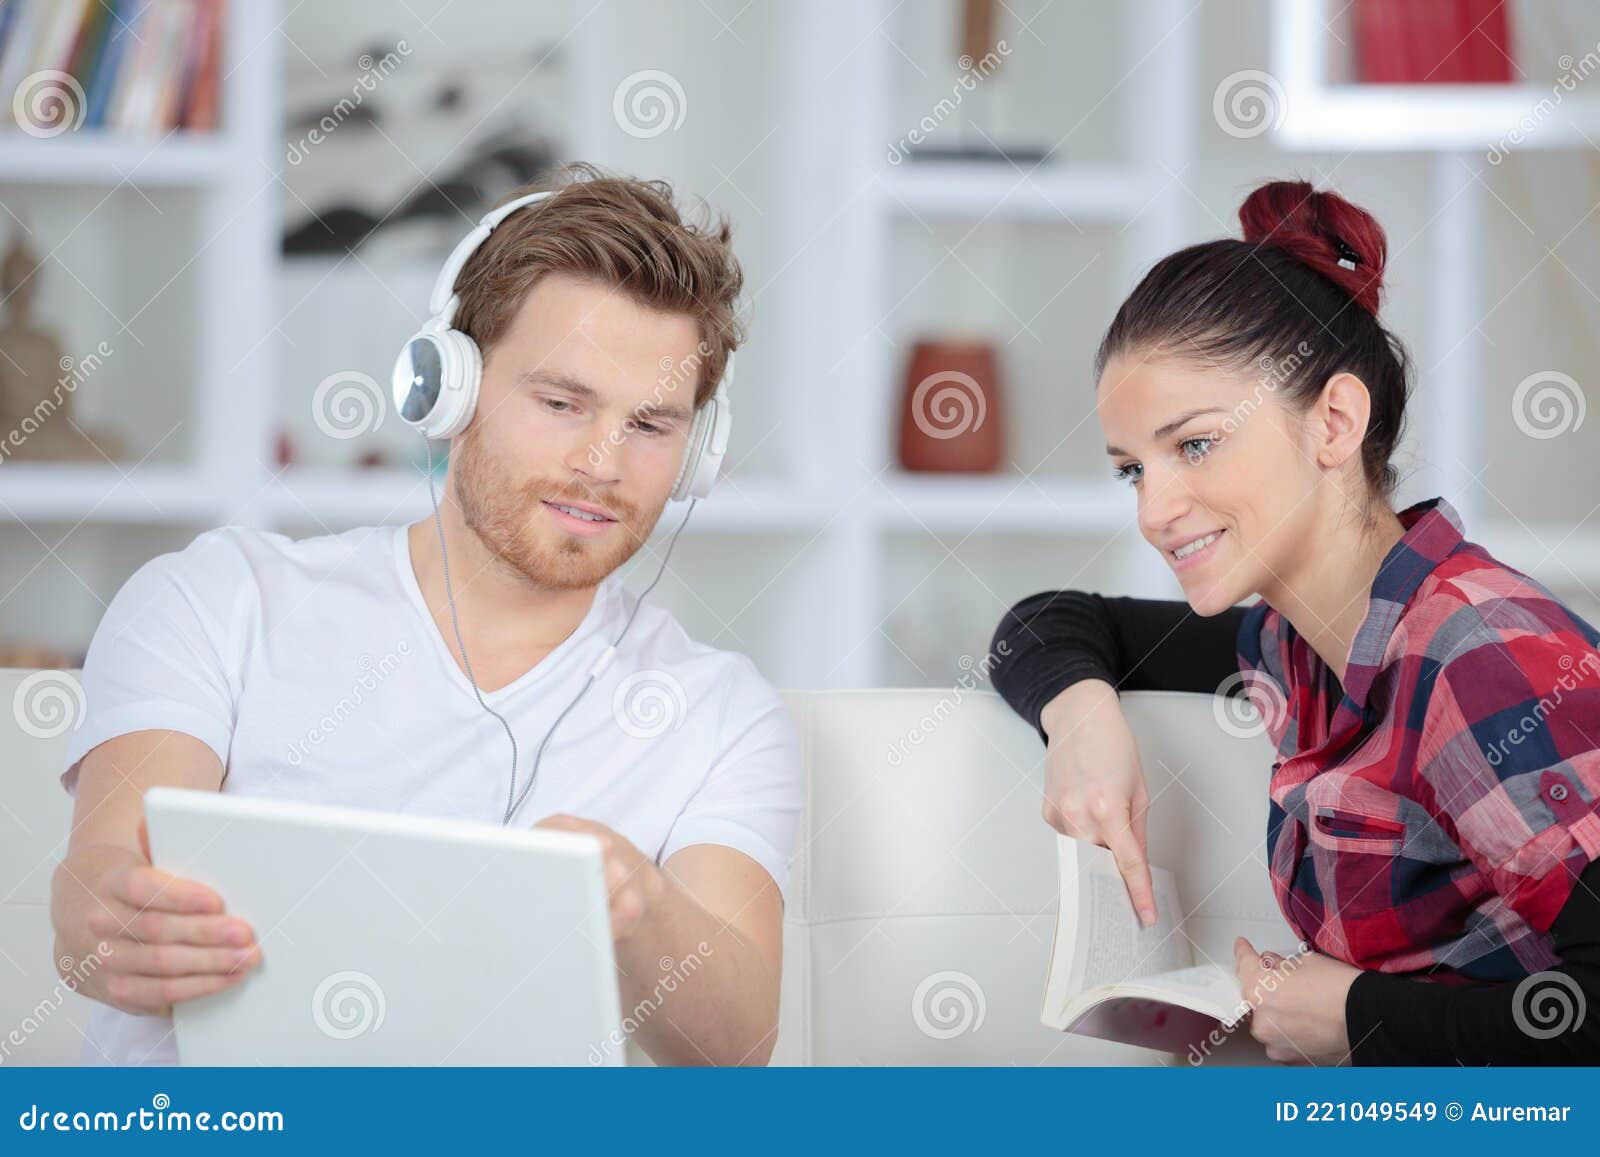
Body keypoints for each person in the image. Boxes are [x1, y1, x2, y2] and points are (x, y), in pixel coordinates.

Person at [49, 165, 801, 1067]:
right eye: (562, 403)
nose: (603, 462)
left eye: (650, 425)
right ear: (445, 388)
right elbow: (95, 887)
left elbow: (740, 1046)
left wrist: (640, 903)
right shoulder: (218, 599)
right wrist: (118, 922)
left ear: (697, 452)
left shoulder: (720, 711)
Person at [989, 179, 1600, 1065]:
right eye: (1132, 468)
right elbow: (1045, 622)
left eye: (1195, 444)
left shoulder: (1476, 653)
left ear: (1335, 423)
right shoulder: (1294, 645)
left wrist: (1361, 1021)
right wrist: (1081, 719)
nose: (1155, 509)